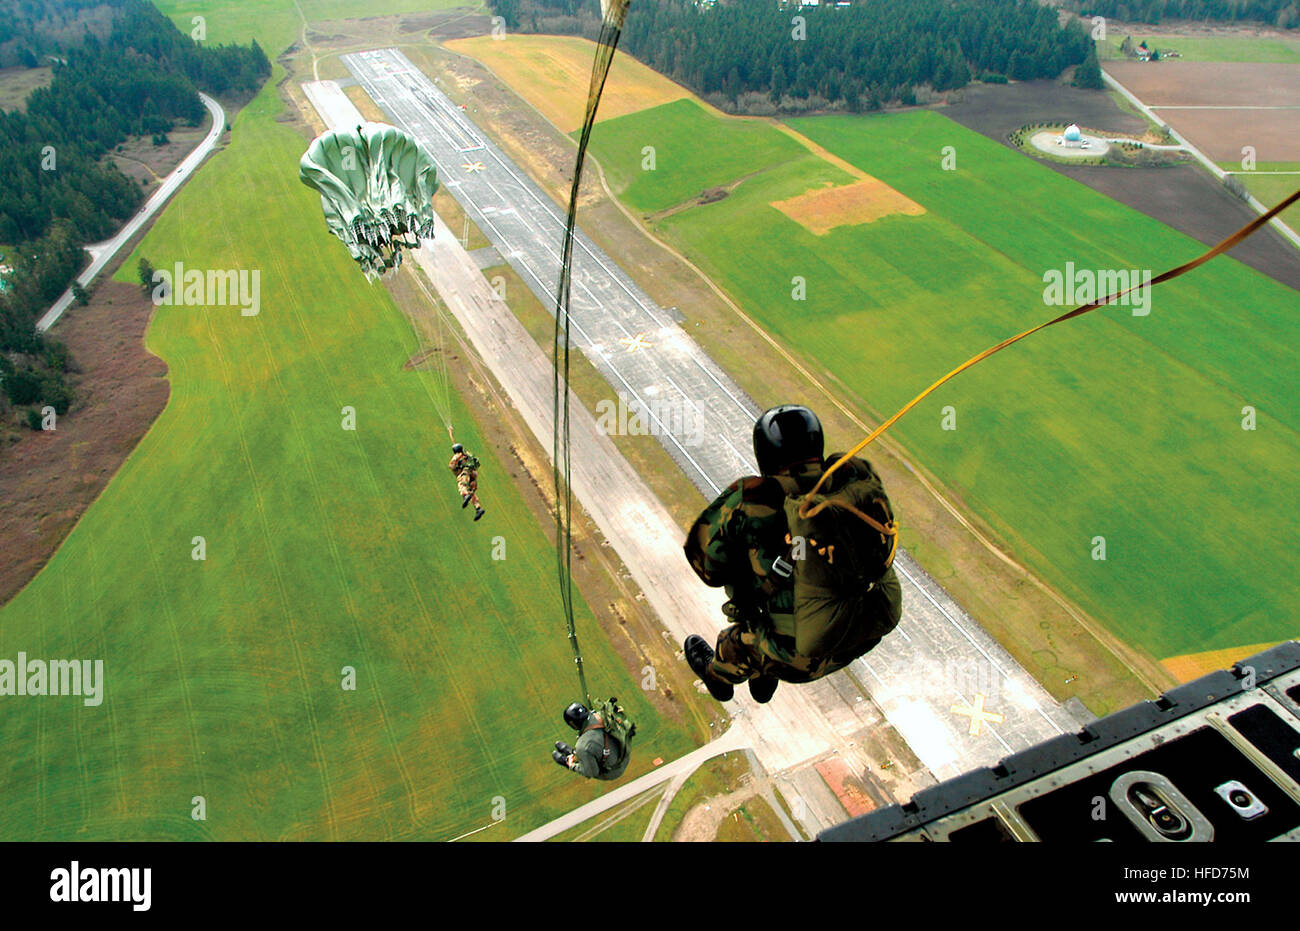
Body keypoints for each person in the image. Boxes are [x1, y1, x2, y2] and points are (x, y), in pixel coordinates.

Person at [682, 405, 902, 704]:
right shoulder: (853, 479)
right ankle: (764, 679)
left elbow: (706, 568)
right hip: (861, 636)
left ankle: (720, 678)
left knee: (735, 640)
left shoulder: (751, 497)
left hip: (796, 659)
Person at [552, 701, 631, 781]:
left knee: (585, 751)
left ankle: (569, 760)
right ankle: (577, 755)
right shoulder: (601, 715)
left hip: (613, 771)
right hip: (623, 756)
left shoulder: (583, 745)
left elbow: (592, 772)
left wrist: (572, 766)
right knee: (589, 749)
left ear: (573, 724)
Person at [448, 443, 485, 521]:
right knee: (471, 492)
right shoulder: (467, 454)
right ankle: (478, 508)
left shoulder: (456, 457)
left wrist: (457, 465)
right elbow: (476, 461)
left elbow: (451, 466)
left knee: (462, 485)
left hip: (465, 473)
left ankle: (465, 496)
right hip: (473, 474)